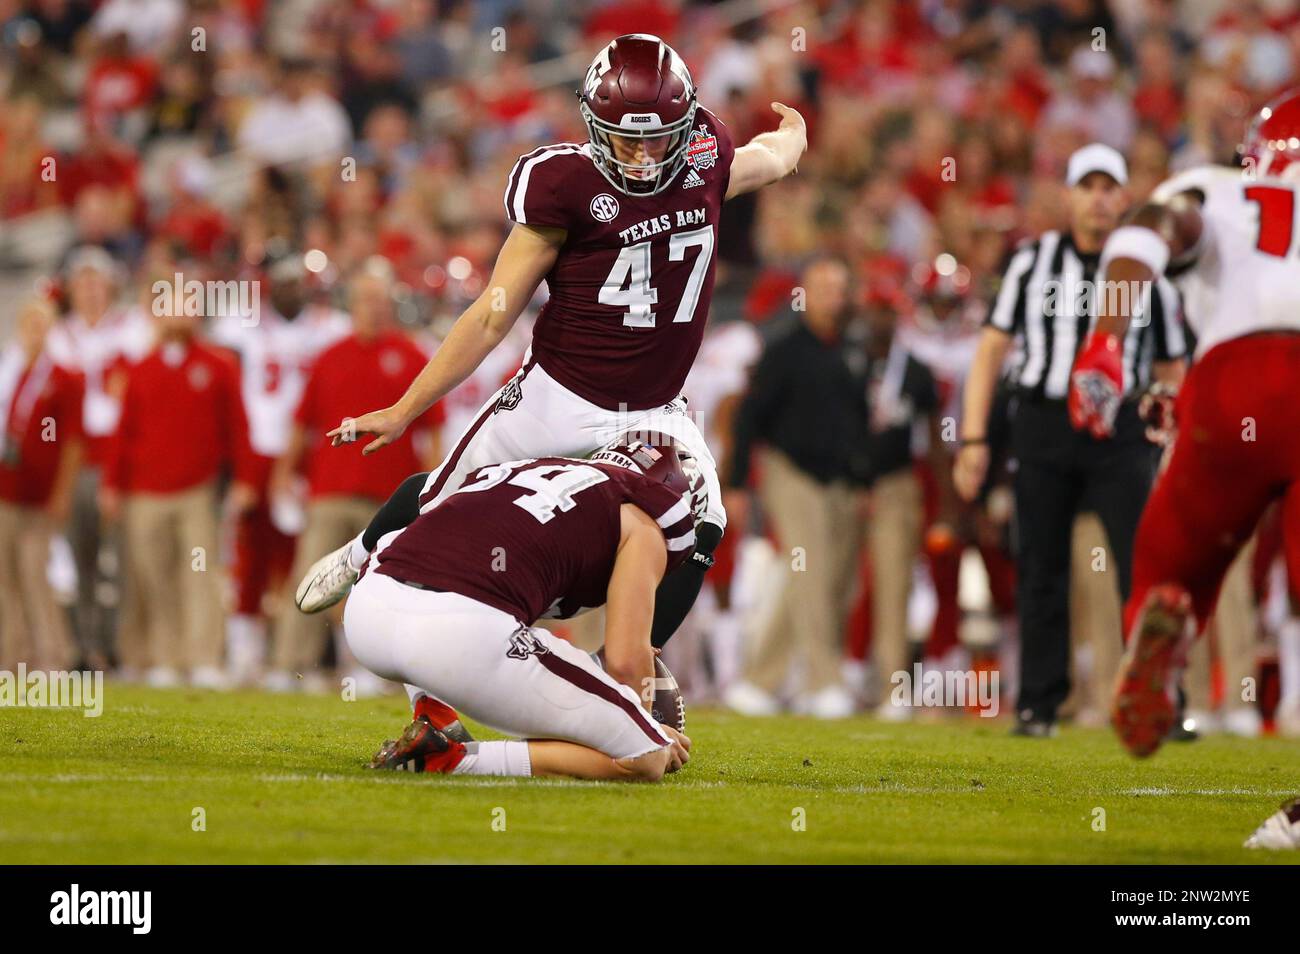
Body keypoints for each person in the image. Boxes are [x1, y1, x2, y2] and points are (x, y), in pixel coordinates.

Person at [294, 34, 807, 729]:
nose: (646, 157)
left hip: (652, 409)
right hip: (555, 392)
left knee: (703, 526)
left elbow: (760, 163)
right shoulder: (563, 185)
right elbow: (490, 315)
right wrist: (407, 406)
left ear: (685, 128)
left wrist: (791, 140)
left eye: (660, 140)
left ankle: (632, 662)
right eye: (627, 142)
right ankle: (365, 554)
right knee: (446, 495)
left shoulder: (705, 159)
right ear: (595, 128)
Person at [1065, 90, 1300, 767]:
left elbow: (1153, 226)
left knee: (1172, 565)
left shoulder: (1223, 192)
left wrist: (1105, 339)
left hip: (1238, 377)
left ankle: (1163, 633)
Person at [955, 143, 1187, 737]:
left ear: (1126, 198)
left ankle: (1161, 698)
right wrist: (976, 437)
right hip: (1044, 422)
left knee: (1144, 566)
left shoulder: (1145, 270)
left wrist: (1173, 438)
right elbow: (990, 351)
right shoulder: (1033, 261)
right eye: (1089, 187)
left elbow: (1170, 367)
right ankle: (1039, 704)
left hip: (1123, 429)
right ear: (1069, 196)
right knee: (1040, 566)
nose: (1100, 199)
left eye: (1111, 188)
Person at [343, 438, 697, 781]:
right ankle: (451, 759)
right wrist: (642, 725)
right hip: (455, 634)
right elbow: (625, 661)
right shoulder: (642, 515)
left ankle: (433, 713)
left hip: (366, 612)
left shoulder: (527, 469)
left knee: (457, 590)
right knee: (647, 755)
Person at [721, 256, 868, 719]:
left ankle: (757, 682)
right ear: (804, 293)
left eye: (838, 287)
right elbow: (748, 418)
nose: (831, 297)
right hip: (789, 470)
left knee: (819, 578)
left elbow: (859, 422)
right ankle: (824, 682)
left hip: (840, 479)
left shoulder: (853, 350)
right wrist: (738, 482)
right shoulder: (783, 350)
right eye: (822, 287)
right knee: (812, 572)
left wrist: (864, 478)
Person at [0, 297, 83, 672]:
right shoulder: (11, 373)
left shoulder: (63, 378)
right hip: (7, 489)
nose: (35, 332)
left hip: (40, 493)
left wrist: (62, 491)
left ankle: (52, 655)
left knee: (35, 575)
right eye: (29, 324)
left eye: (41, 324)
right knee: (6, 577)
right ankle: (13, 657)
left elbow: (71, 441)